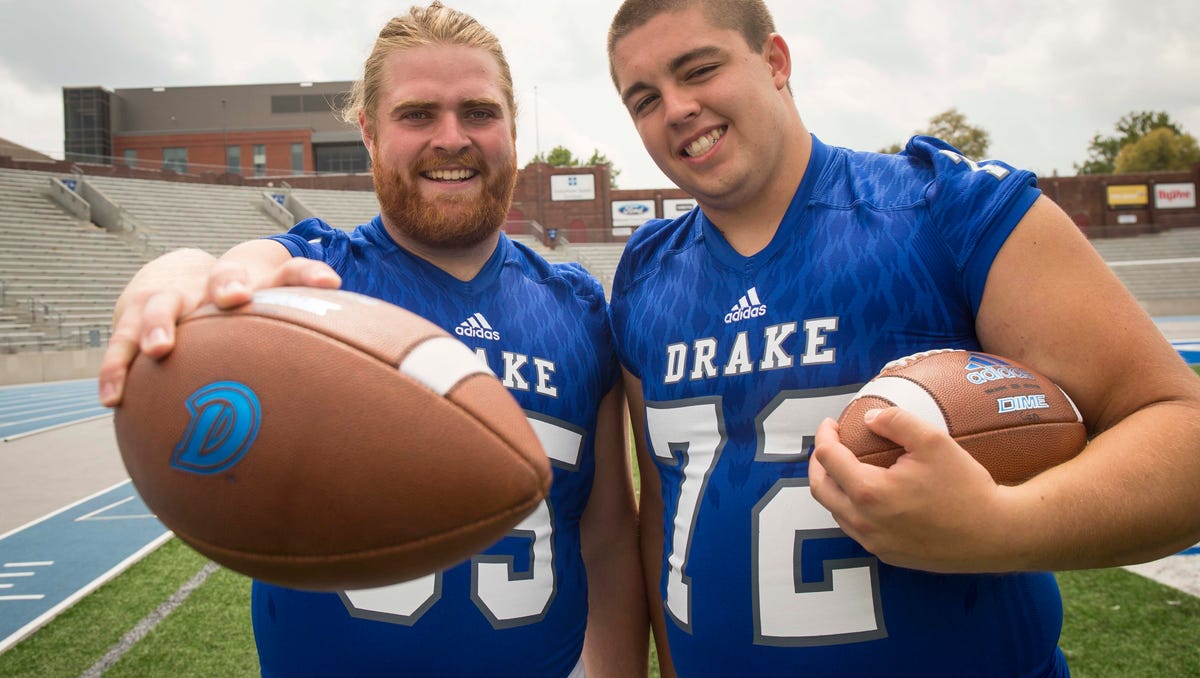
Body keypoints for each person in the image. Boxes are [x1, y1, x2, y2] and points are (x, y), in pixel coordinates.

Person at [605, 1, 1200, 676]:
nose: (676, 107)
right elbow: (664, 510)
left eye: (700, 69)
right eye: (644, 98)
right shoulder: (646, 276)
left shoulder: (939, 208)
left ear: (774, 62)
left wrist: (1004, 525)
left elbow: (1184, 436)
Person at [98, 3, 647, 676]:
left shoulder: (578, 308)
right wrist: (168, 283)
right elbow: (224, 272)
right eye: (417, 115)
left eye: (478, 111)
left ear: (512, 126)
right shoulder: (317, 282)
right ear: (367, 131)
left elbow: (608, 535)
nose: (452, 137)